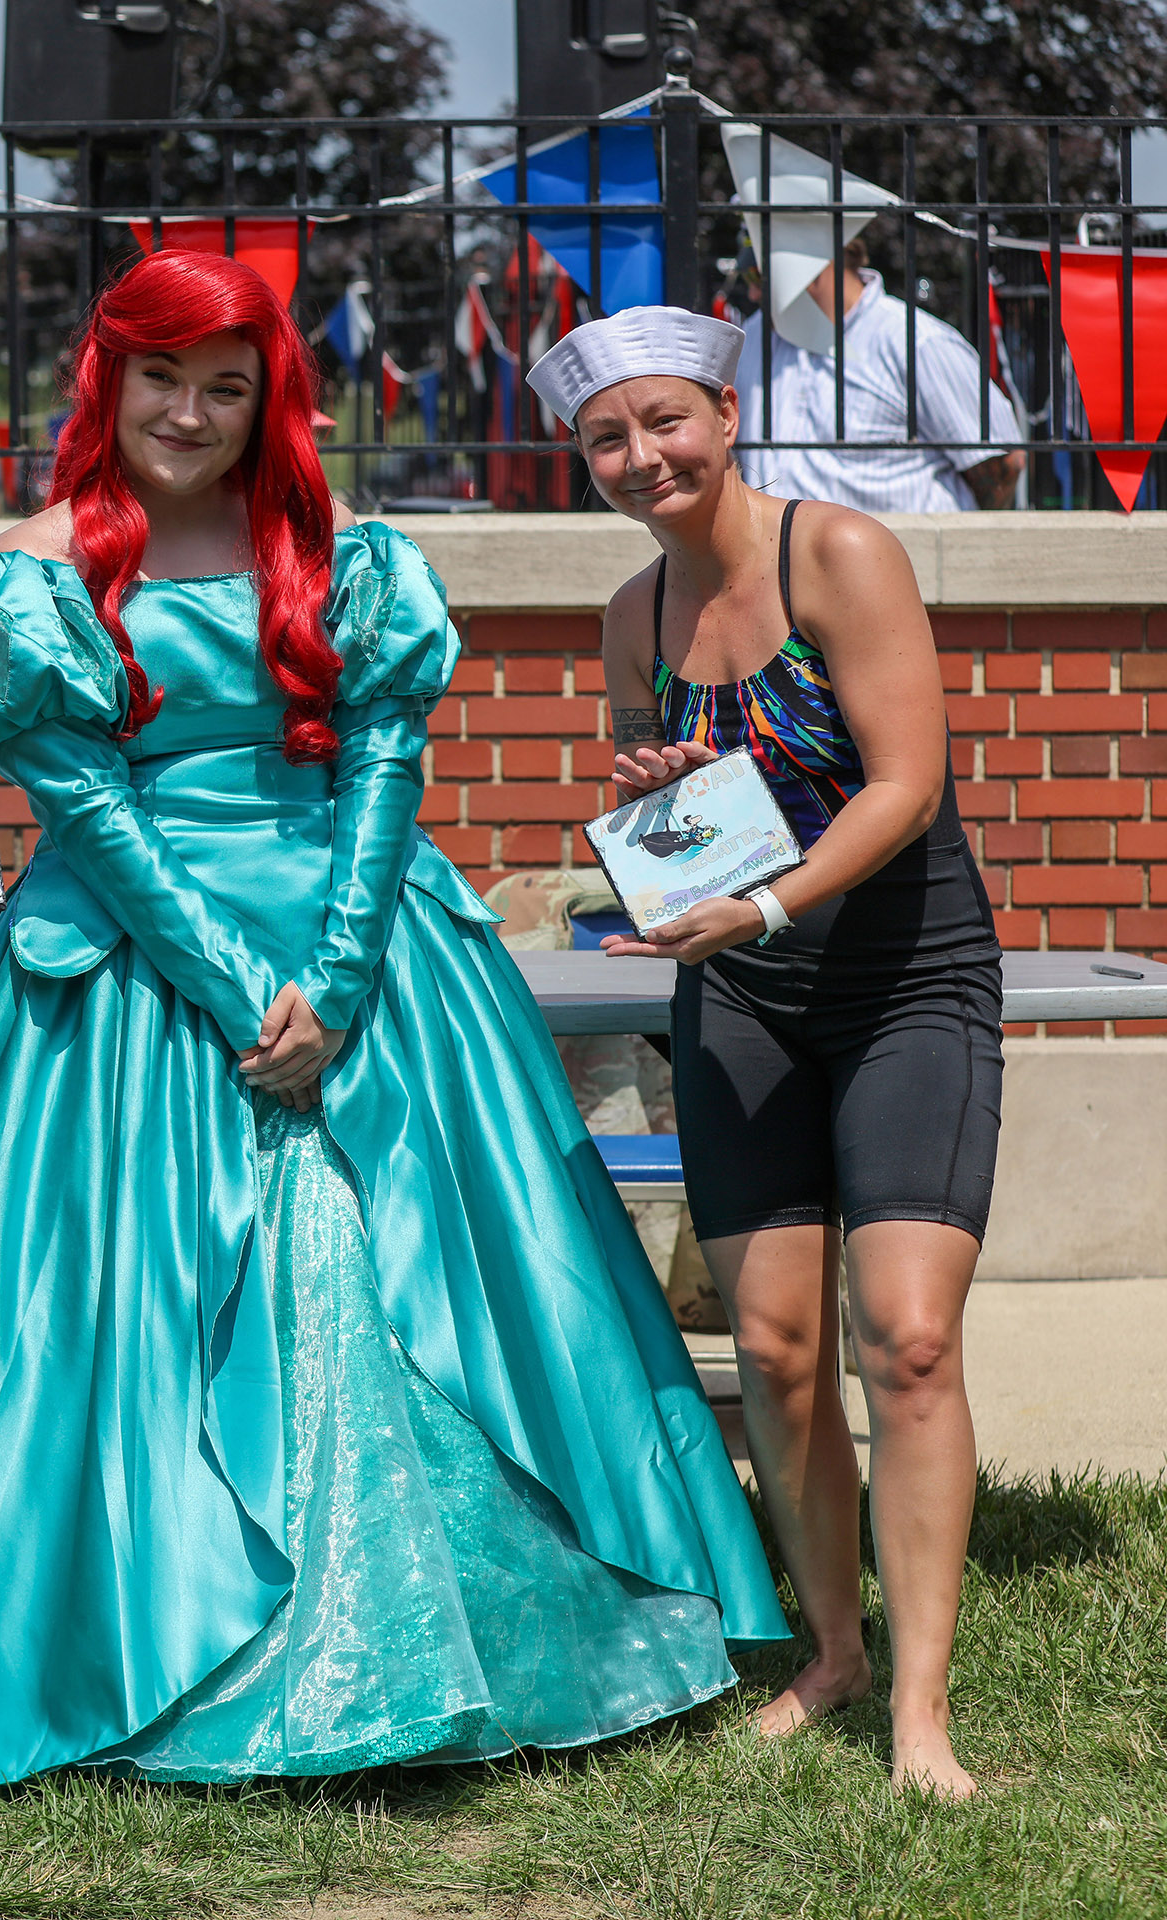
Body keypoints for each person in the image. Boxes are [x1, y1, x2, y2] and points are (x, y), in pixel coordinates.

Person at [0, 250, 789, 1796]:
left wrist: (346, 973)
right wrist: (251, 997)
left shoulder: (349, 558)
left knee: (415, 1280)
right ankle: (159, 1659)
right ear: (104, 381)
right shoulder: (32, 574)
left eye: (227, 386)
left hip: (364, 954)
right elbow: (89, 812)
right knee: (128, 1312)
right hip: (135, 971)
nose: (190, 411)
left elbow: (385, 766)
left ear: (272, 402)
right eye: (162, 376)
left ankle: (480, 1649)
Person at [532, 305, 1004, 1799]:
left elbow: (906, 787)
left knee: (907, 1340)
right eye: (608, 438)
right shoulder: (630, 617)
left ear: (726, 417)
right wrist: (668, 793)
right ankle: (834, 1650)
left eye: (664, 422)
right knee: (784, 1356)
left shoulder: (842, 555)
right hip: (738, 992)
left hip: (903, 975)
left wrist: (763, 898)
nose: (640, 457)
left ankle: (918, 1714)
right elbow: (666, 831)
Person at [737, 238, 1024, 512]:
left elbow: (1002, 464)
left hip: (900, 559)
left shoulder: (916, 342)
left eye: (758, 277)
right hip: (776, 559)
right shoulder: (750, 338)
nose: (753, 295)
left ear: (811, 267)